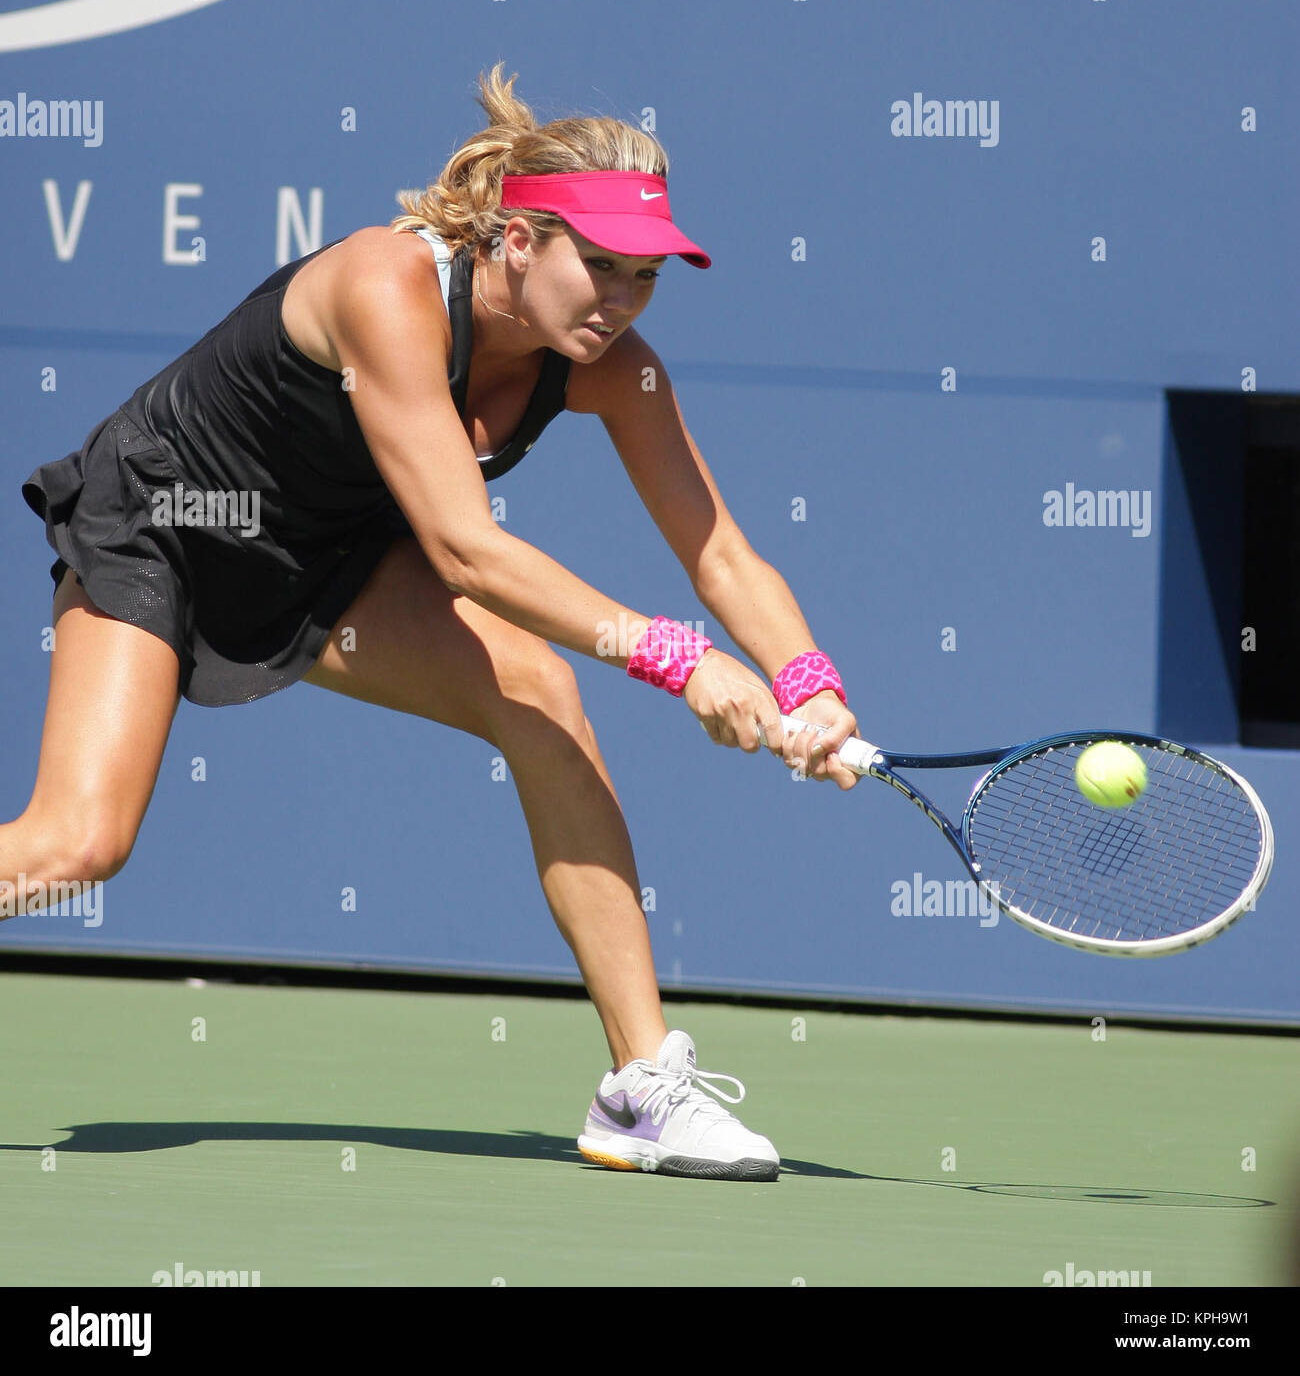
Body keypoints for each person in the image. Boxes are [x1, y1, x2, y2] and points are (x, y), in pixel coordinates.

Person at [10, 64, 859, 1182]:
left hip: (332, 555)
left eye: (643, 276)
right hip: (166, 523)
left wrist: (810, 685)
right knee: (80, 848)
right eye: (595, 265)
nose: (616, 298)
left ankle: (639, 1087)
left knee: (542, 697)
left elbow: (721, 551)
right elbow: (466, 550)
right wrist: (679, 658)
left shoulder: (614, 370)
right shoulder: (385, 285)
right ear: (517, 239)